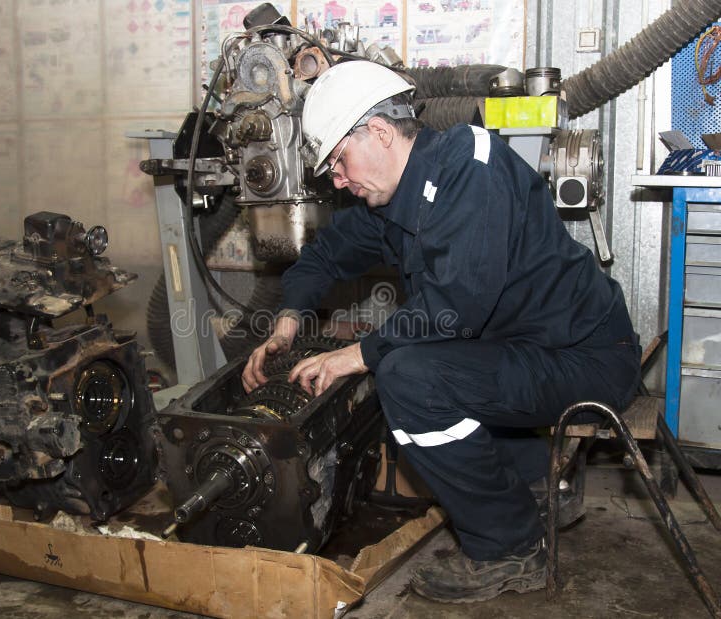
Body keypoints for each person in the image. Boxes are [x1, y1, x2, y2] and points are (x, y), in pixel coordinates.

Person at [241, 60, 641, 603]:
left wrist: (357, 355)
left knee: (407, 375)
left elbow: (460, 304)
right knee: (429, 359)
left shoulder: (469, 167)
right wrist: (286, 323)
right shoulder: (389, 201)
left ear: (379, 132)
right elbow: (326, 256)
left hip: (587, 360)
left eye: (338, 159)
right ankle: (536, 490)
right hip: (529, 355)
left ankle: (511, 548)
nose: (337, 179)